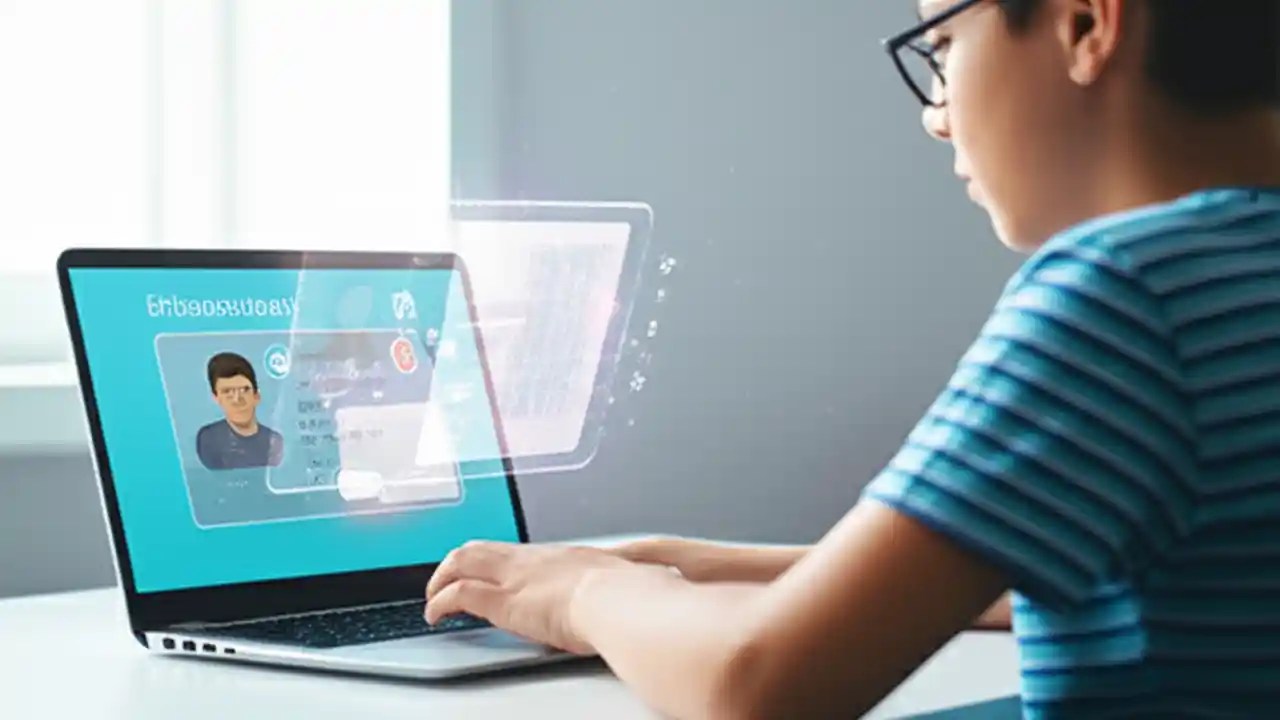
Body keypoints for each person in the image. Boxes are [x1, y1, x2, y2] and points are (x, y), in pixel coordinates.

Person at [424, 1, 1280, 717]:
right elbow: (1041, 573)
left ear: (1088, 23)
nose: (935, 113)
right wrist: (706, 564)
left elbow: (757, 683)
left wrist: (583, 598)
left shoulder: (1125, 295)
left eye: (942, 45)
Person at [196, 352, 285, 470]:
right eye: (227, 392)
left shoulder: (274, 442)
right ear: (216, 398)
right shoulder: (209, 439)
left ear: (256, 396)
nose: (237, 399)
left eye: (244, 390)